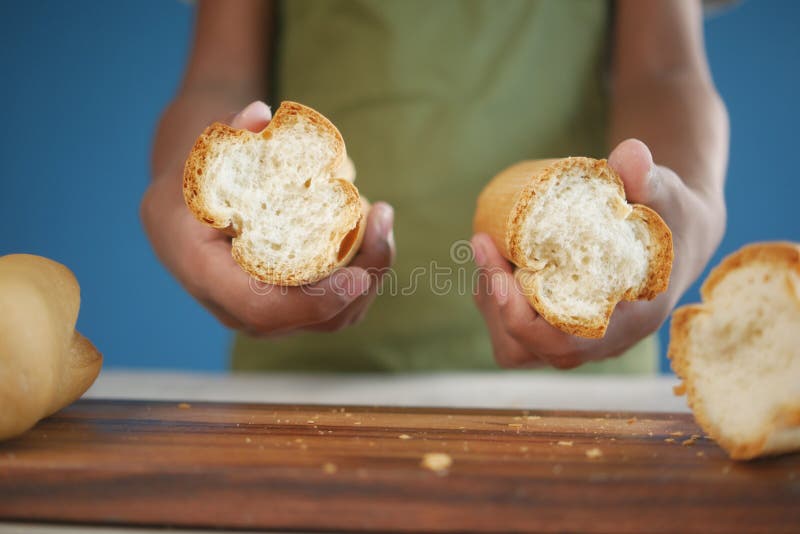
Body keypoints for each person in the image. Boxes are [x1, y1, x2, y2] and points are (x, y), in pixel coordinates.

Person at [141, 0, 728, 373]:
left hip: (584, 363)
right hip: (302, 372)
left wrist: (691, 203)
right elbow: (217, 78)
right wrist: (179, 190)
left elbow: (665, 73)